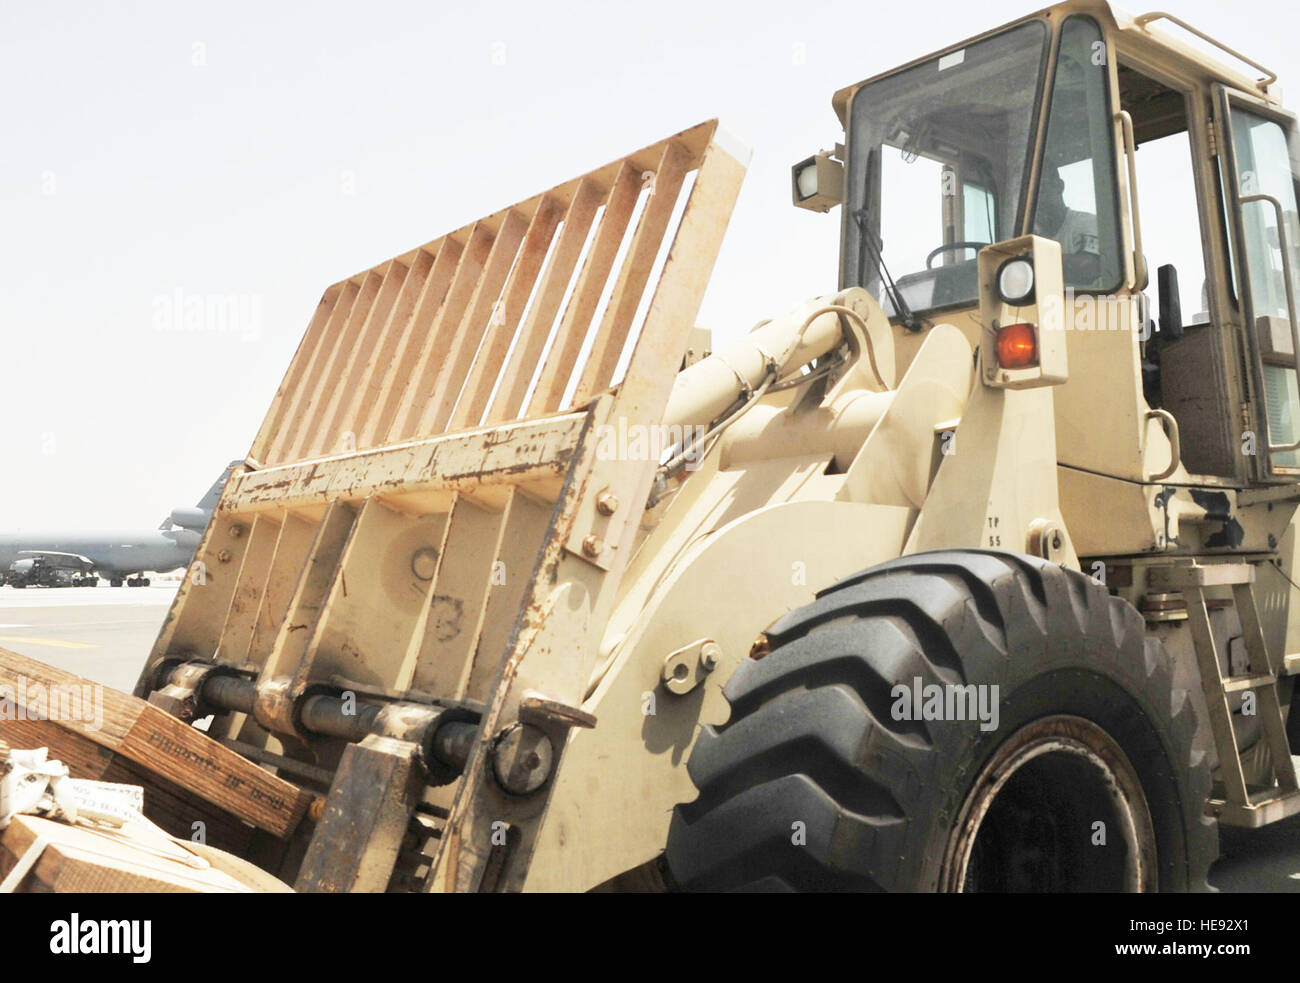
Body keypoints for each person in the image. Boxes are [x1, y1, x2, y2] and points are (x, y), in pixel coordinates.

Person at [1035, 164, 1102, 285]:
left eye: (1041, 188)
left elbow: (1089, 267)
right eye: (1027, 193)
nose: (1036, 197)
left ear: (1059, 186)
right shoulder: (1025, 237)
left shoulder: (1086, 223)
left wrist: (1030, 263)